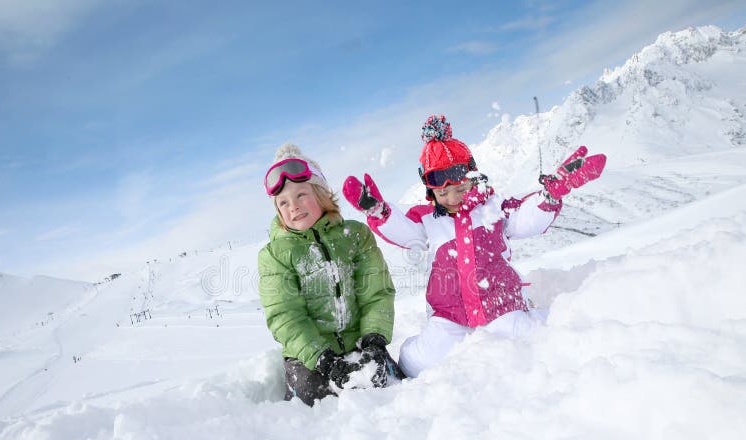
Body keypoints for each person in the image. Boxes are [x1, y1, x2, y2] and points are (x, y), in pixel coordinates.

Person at [343, 115, 605, 377]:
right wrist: (379, 211)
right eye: (442, 194)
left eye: (460, 189)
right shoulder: (429, 219)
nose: (452, 198)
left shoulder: (493, 209)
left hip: (498, 304)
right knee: (416, 363)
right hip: (450, 313)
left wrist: (550, 196)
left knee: (534, 336)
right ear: (430, 192)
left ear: (472, 177)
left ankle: (581, 313)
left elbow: (525, 220)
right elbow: (406, 232)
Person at [258, 143, 402, 405]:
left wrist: (374, 342)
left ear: (321, 193)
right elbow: (285, 315)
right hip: (310, 358)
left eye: (301, 195)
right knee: (317, 402)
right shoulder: (275, 255)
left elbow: (376, 293)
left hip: (360, 344)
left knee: (387, 386)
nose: (293, 207)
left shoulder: (355, 236)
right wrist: (323, 359)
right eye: (283, 202)